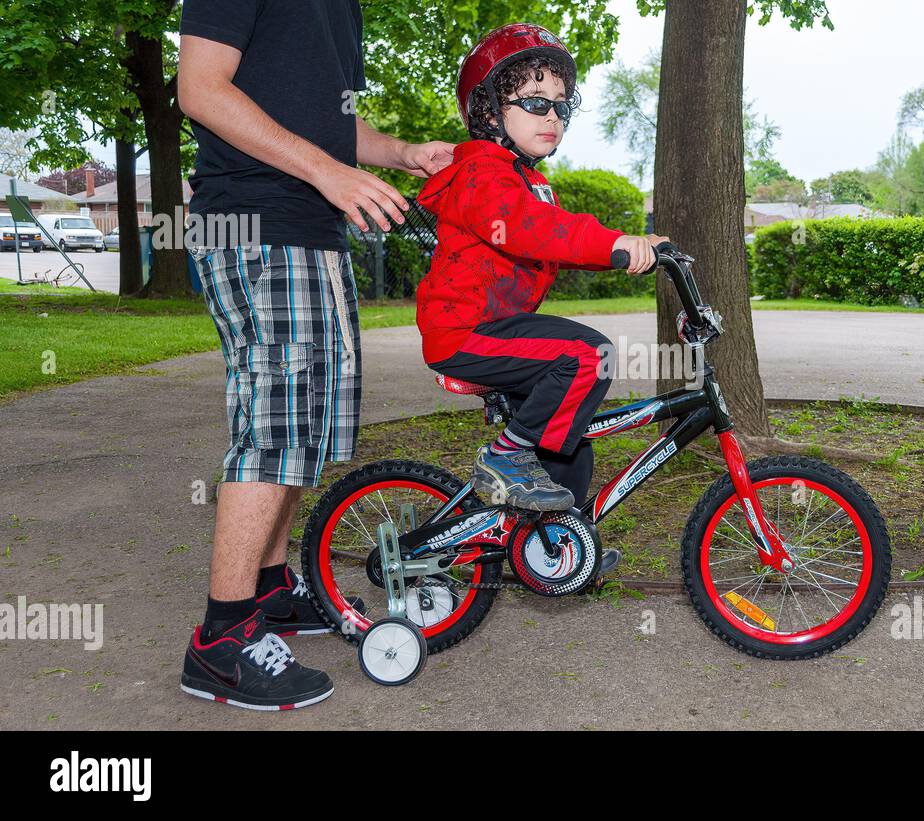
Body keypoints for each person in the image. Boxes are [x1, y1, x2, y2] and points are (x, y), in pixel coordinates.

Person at [176, 0, 454, 711]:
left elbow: (326, 120)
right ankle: (222, 640)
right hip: (258, 221)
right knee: (276, 425)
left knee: (305, 426)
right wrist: (327, 172)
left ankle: (268, 591)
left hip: (311, 228)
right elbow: (201, 87)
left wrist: (399, 153)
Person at [416, 24, 668, 575]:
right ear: (487, 110)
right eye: (533, 102)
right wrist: (612, 245)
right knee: (588, 354)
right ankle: (507, 457)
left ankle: (560, 553)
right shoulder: (483, 173)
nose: (551, 116)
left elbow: (556, 235)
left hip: (500, 328)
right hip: (464, 333)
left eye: (560, 105)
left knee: (570, 443)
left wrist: (631, 249)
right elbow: (529, 229)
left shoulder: (526, 179)